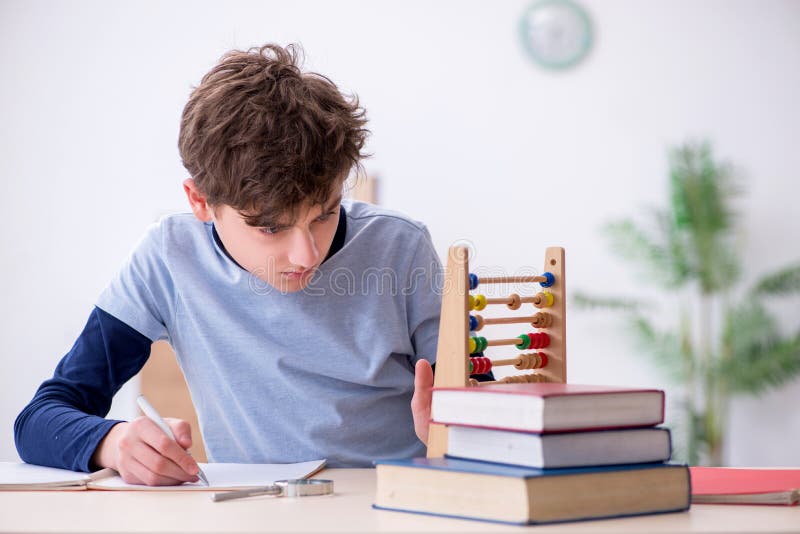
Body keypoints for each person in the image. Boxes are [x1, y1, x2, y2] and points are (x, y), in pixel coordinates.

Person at [14, 43, 439, 486]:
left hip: (390, 501)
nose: (306, 255)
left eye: (324, 214)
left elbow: (472, 414)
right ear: (201, 201)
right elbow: (39, 420)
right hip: (249, 511)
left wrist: (458, 436)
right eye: (272, 228)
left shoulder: (402, 248)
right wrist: (114, 443)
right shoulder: (169, 256)